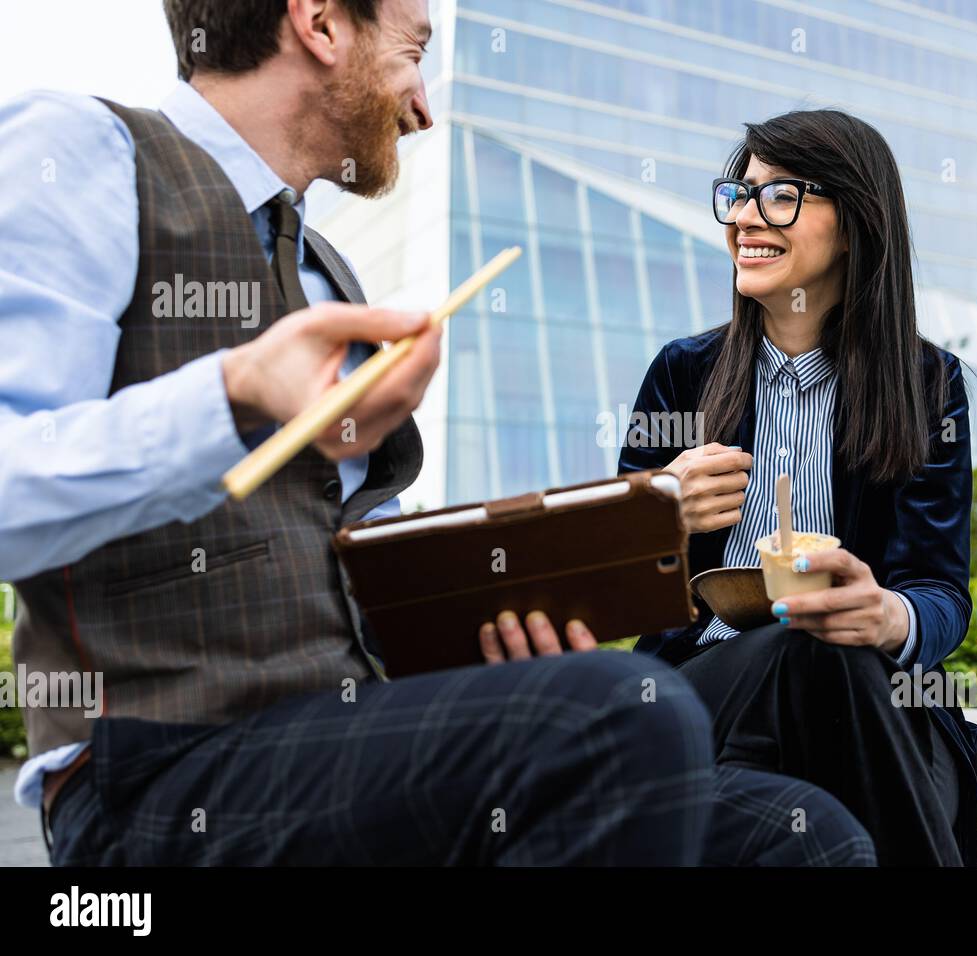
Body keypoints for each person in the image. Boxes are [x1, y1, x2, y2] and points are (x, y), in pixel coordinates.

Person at [0, 0, 875, 866]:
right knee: (621, 715)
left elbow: (353, 564)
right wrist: (232, 397)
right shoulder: (84, 150)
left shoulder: (327, 273)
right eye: (413, 53)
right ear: (320, 25)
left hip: (353, 739)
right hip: (157, 770)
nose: (424, 104)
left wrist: (494, 615)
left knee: (802, 840)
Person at [619, 109, 977, 866]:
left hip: (868, 696)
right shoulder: (682, 375)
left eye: (779, 196)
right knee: (809, 647)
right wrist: (661, 518)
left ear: (853, 224)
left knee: (832, 648)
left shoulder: (926, 384)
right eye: (738, 195)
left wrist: (887, 616)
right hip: (706, 687)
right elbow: (617, 592)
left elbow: (942, 593)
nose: (746, 218)